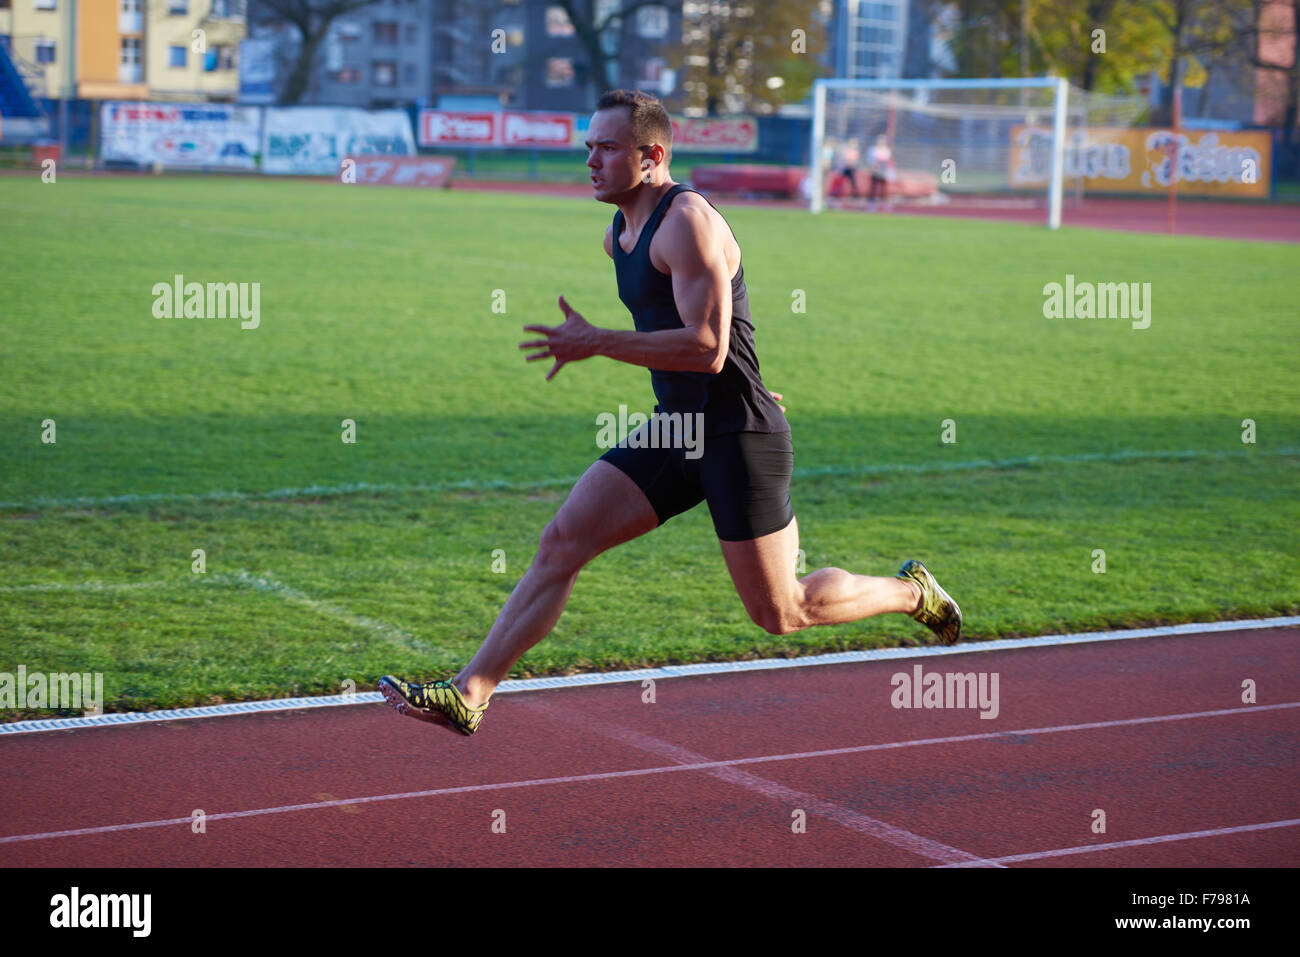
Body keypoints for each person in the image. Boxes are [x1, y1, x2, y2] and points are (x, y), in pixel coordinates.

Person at [379, 90, 961, 736]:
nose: (591, 161)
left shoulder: (687, 221)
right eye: (588, 148)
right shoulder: (618, 236)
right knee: (562, 541)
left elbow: (709, 349)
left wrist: (597, 341)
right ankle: (471, 692)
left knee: (782, 610)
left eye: (606, 148)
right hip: (679, 429)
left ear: (653, 156)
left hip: (739, 434)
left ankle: (913, 591)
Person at [867, 134, 895, 211]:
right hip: (875, 171)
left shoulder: (886, 150)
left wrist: (890, 171)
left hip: (883, 172)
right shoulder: (873, 149)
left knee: (883, 189)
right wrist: (874, 166)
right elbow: (870, 160)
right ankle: (871, 205)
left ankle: (884, 205)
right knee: (873, 188)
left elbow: (889, 161)